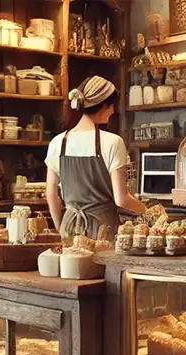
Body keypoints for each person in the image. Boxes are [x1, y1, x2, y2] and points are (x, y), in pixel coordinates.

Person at [45, 76, 147, 240]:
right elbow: (121, 199)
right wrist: (148, 211)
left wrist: (60, 229)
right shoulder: (113, 142)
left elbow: (51, 194)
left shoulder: (57, 142)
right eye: (112, 106)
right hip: (103, 231)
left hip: (69, 229)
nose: (113, 111)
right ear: (104, 105)